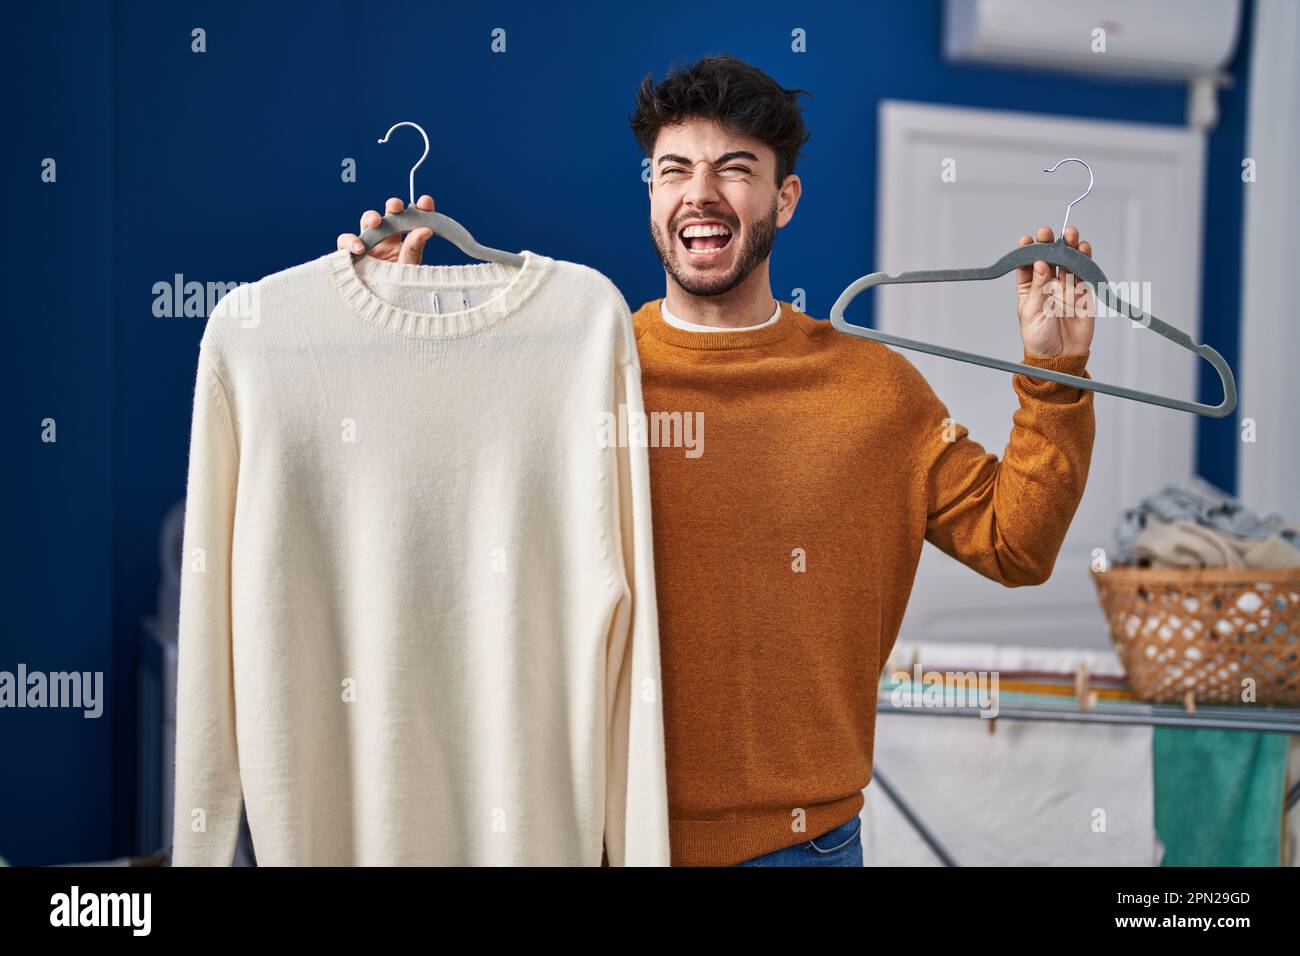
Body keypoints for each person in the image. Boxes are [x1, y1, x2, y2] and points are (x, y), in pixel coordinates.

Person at [337, 54, 1096, 867]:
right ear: (654, 196)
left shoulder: (876, 390)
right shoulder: (576, 373)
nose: (701, 193)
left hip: (805, 847)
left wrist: (1056, 378)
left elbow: (1018, 544)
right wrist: (387, 347)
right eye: (674, 171)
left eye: (736, 169)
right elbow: (429, 539)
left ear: (784, 198)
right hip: (597, 835)